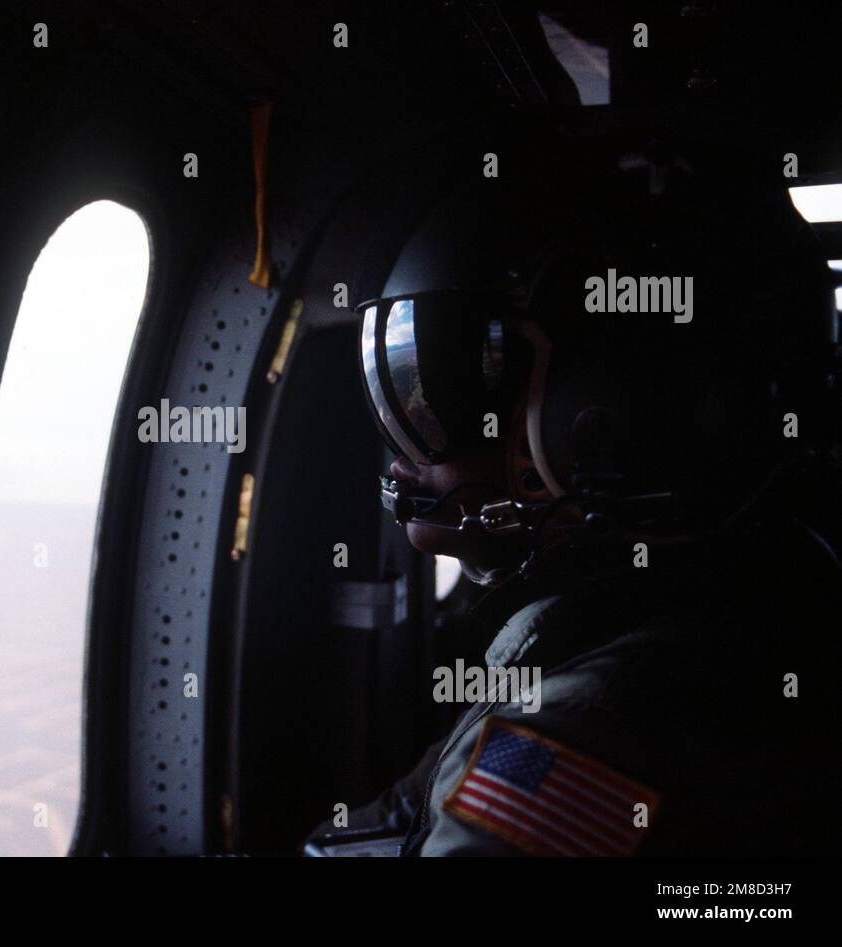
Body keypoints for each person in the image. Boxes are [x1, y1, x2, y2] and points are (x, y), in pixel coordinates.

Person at [309, 133, 842, 855]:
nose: (405, 447)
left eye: (456, 382)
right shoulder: (736, 595)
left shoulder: (593, 730)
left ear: (617, 408)